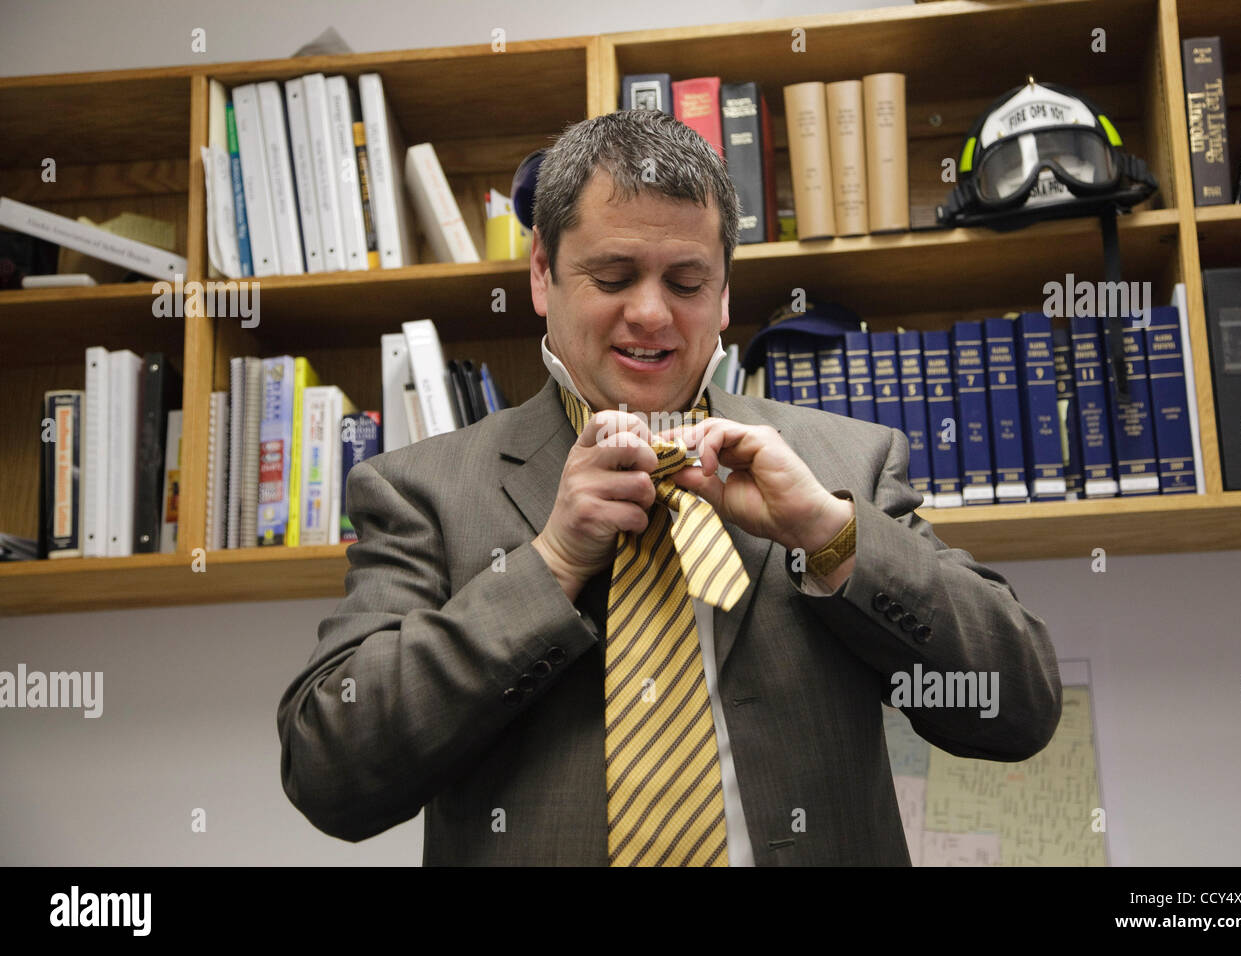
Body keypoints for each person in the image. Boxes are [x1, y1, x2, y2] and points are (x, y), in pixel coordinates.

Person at [277, 109, 1062, 866]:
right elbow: (329, 773)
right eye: (613, 275)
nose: (651, 314)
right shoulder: (419, 489)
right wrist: (548, 566)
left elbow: (1016, 708)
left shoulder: (846, 463)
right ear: (544, 276)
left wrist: (834, 538)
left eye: (687, 282)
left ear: (724, 296)